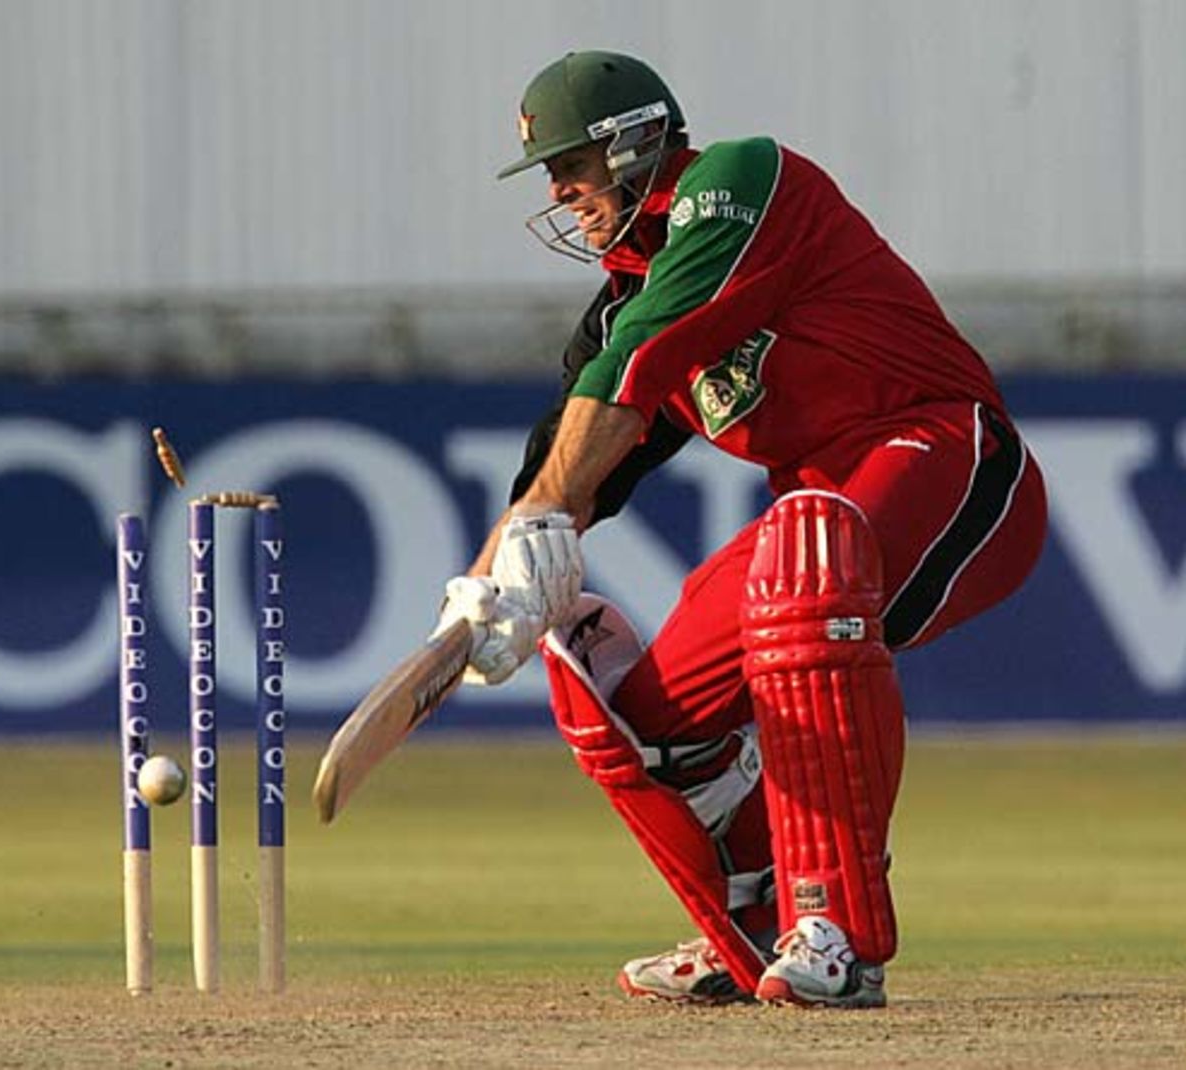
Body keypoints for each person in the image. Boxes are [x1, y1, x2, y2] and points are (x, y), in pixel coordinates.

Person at [433, 50, 1047, 1008]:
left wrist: (550, 510)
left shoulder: (741, 181)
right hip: (825, 519)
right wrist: (483, 589)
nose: (560, 192)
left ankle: (839, 929)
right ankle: (748, 930)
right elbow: (569, 461)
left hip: (952, 461)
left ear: (631, 145)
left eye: (571, 166)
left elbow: (644, 357)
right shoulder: (620, 312)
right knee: (642, 717)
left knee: (806, 557)